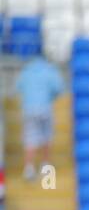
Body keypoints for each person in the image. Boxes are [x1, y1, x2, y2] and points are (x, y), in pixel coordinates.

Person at [16, 53, 64, 182]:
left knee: (30, 138)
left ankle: (29, 169)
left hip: (28, 110)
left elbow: (18, 88)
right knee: (46, 136)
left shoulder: (26, 71)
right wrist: (49, 97)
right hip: (45, 109)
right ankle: (46, 168)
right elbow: (59, 88)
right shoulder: (50, 70)